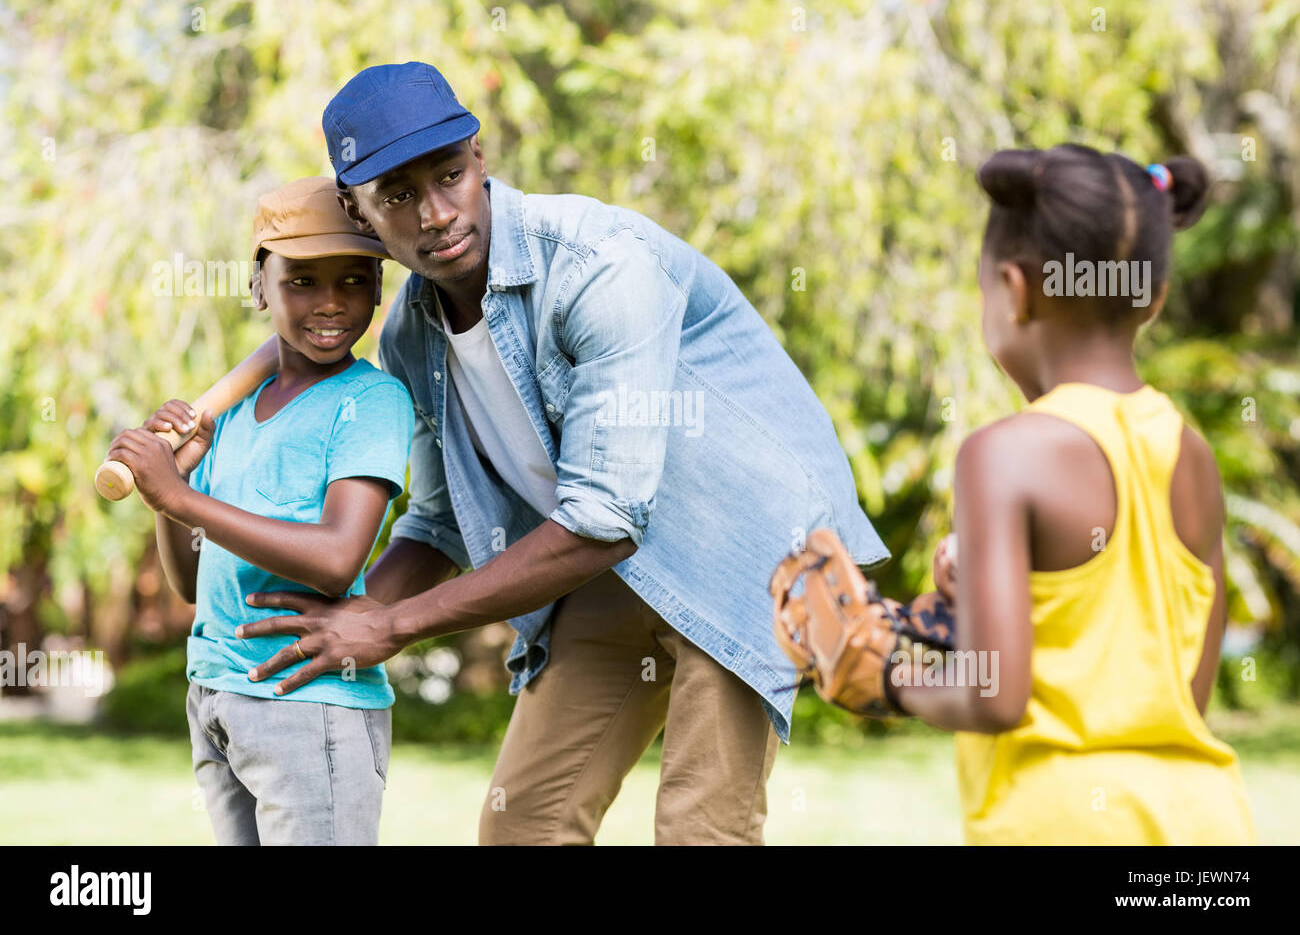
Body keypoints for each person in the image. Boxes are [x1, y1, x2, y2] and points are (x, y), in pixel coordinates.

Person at [236, 61, 890, 845]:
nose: (436, 214)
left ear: (480, 155)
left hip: (741, 548)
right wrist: (335, 625)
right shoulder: (411, 333)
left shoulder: (600, 265)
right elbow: (438, 523)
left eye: (449, 176)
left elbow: (605, 518)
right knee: (522, 828)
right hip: (610, 568)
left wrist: (394, 626)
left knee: (700, 829)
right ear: (358, 209)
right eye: (398, 196)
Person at [890, 143, 1255, 844]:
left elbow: (995, 698)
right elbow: (1184, 693)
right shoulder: (1192, 454)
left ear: (1013, 290)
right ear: (1155, 297)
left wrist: (881, 673)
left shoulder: (1001, 454)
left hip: (1061, 824)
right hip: (1208, 829)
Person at [106, 177, 414, 844]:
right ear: (259, 288)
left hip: (309, 705)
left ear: (377, 289)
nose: (330, 302)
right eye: (301, 281)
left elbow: (337, 560)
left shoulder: (371, 402)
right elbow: (191, 583)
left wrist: (182, 497)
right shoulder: (234, 412)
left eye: (354, 280)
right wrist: (173, 492)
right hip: (216, 695)